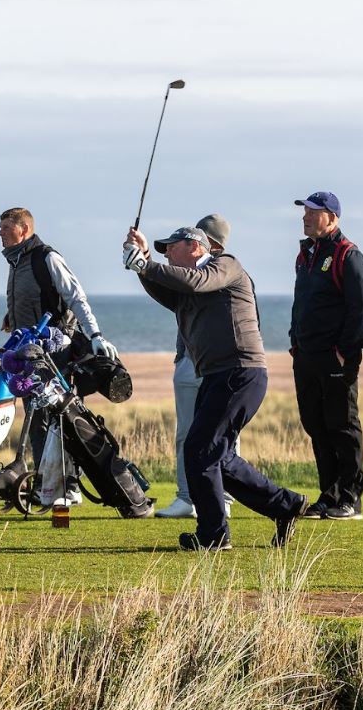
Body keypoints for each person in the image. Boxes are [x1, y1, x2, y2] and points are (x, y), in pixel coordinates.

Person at [123, 225, 307, 550]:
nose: (167, 253)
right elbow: (166, 289)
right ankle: (285, 505)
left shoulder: (225, 265)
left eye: (170, 247)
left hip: (240, 372)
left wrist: (147, 264)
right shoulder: (189, 286)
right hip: (217, 376)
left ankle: (213, 534)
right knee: (217, 457)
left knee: (199, 450)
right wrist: (143, 262)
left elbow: (195, 281)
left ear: (195, 246)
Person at [0, 207, 119, 505]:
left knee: (60, 420)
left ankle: (67, 488)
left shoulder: (46, 257)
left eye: (4, 227)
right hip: (29, 353)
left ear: (23, 229)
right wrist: (11, 317)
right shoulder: (17, 262)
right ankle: (49, 486)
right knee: (37, 418)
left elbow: (76, 297)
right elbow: (34, 298)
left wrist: (96, 336)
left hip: (55, 353)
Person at [289, 191, 363, 520]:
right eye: (305, 211)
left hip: (336, 360)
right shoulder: (305, 254)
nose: (305, 216)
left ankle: (350, 498)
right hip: (306, 357)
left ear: (332, 218)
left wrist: (343, 353)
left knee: (342, 427)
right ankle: (329, 495)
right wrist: (295, 343)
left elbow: (359, 311)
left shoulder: (348, 255)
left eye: (313, 212)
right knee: (316, 425)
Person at [156, 214, 235, 520]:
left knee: (224, 434)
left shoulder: (224, 270)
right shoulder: (189, 273)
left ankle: (223, 498)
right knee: (186, 433)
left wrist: (147, 265)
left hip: (219, 363)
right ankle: (186, 496)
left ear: (206, 244)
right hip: (189, 359)